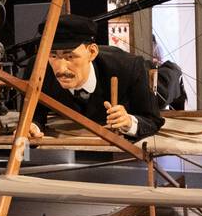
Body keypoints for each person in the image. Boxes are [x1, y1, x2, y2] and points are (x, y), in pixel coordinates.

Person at [28, 14, 163, 141]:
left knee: (167, 82)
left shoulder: (129, 67)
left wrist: (129, 122)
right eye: (53, 56)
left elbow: (152, 120)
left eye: (70, 56)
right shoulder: (39, 68)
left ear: (92, 52)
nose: (61, 68)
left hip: (147, 82)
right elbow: (36, 114)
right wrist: (33, 126)